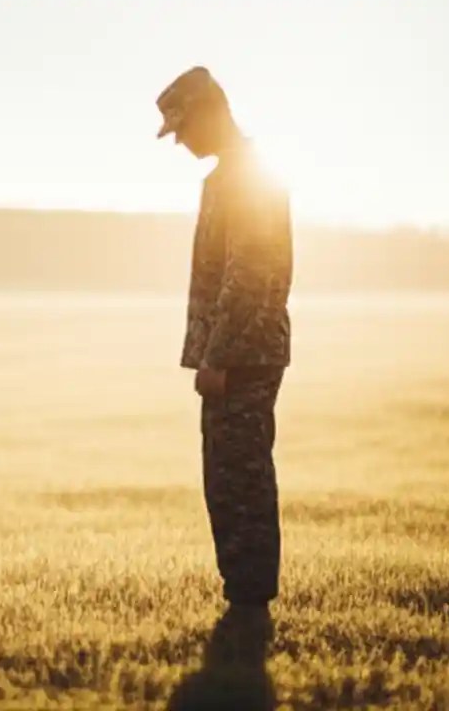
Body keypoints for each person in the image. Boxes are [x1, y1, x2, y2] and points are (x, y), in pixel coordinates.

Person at [155, 66, 293, 626]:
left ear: (211, 112)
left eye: (183, 127)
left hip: (243, 356)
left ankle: (249, 604)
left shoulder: (246, 177)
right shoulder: (231, 176)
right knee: (228, 473)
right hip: (242, 352)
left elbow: (249, 272)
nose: (181, 141)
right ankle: (244, 596)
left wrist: (217, 357)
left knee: (239, 477)